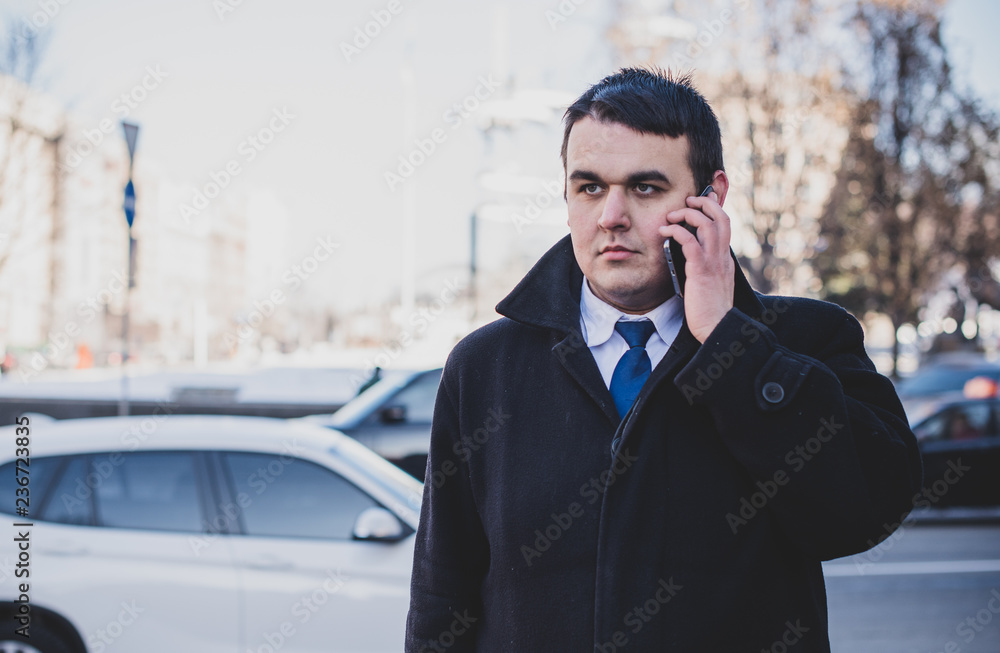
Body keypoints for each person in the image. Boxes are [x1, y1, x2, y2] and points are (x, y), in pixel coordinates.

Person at [405, 68, 922, 652]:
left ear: (711, 198)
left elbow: (861, 515)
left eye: (645, 188)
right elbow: (442, 595)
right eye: (589, 187)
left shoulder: (808, 340)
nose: (611, 216)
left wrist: (729, 344)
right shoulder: (483, 368)